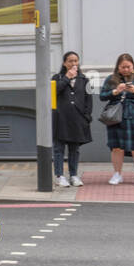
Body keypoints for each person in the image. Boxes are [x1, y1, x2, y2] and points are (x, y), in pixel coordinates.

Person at [99, 52, 134, 185]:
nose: (125, 70)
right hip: (116, 116)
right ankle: (117, 174)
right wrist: (116, 91)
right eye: (123, 67)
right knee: (116, 147)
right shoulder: (111, 79)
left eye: (128, 67)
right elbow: (102, 96)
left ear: (133, 66)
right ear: (118, 67)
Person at [52, 51, 92, 186]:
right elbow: (53, 92)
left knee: (74, 149)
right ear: (64, 63)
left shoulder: (85, 79)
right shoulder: (57, 77)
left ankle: (74, 175)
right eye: (70, 61)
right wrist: (67, 78)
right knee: (59, 148)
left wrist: (87, 117)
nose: (73, 63)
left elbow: (89, 100)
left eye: (76, 61)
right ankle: (59, 176)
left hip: (77, 120)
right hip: (60, 119)